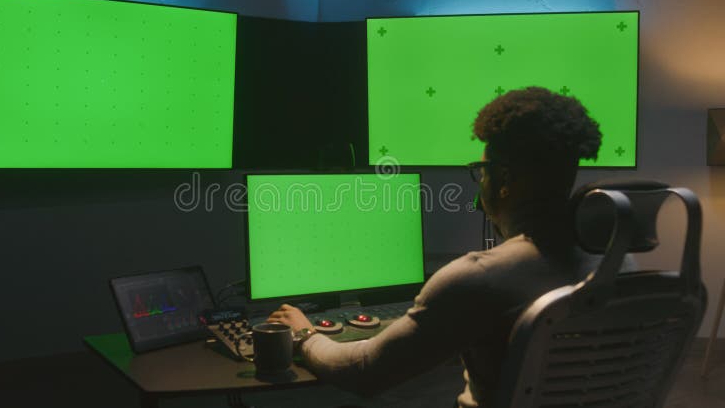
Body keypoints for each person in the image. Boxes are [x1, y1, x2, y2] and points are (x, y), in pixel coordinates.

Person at [268, 86, 633, 407]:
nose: (481, 181)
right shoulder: (618, 262)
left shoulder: (479, 278)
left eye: (482, 170)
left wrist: (304, 334)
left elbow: (365, 371)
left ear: (503, 180)